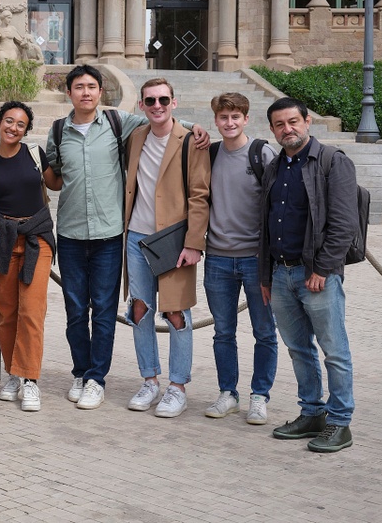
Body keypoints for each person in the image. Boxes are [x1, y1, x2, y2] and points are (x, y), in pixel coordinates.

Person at [45, 65, 207, 411]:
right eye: (79, 87)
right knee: (92, 309)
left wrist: (198, 128)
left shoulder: (120, 124)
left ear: (101, 92)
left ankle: (106, 380)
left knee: (121, 311)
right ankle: (90, 373)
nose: (86, 92)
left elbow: (169, 129)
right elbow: (54, 177)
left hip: (125, 235)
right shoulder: (59, 131)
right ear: (69, 92)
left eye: (92, 86)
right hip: (85, 233)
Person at [260, 97, 358, 453]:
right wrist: (265, 276)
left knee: (334, 350)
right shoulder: (274, 167)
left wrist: (323, 267)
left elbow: (343, 223)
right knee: (299, 349)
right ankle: (312, 412)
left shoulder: (333, 162)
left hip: (316, 275)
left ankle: (339, 422)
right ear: (272, 129)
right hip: (280, 273)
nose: (287, 129)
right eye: (279, 125)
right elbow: (265, 226)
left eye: (293, 122)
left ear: (307, 121)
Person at [123, 78, 210, 418]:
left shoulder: (192, 142)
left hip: (174, 241)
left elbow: (201, 196)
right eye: (150, 101)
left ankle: (177, 387)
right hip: (136, 238)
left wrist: (194, 243)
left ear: (174, 102)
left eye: (163, 99)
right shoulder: (136, 137)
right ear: (142, 105)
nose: (156, 105)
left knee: (176, 313)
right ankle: (149, 380)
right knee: (139, 310)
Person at [203, 92, 278, 424]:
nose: (229, 123)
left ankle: (259, 396)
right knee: (223, 331)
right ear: (216, 120)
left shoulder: (262, 153)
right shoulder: (212, 153)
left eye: (235, 117)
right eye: (223, 117)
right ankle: (227, 393)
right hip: (218, 257)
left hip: (256, 259)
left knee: (264, 331)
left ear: (246, 119)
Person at [0, 102, 55, 412]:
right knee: (7, 311)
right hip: (2, 239)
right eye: (9, 121)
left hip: (36, 238)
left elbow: (58, 181)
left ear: (27, 130)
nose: (13, 127)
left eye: (21, 124)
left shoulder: (35, 155)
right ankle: (13, 372)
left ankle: (30, 380)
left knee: (31, 310)